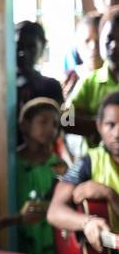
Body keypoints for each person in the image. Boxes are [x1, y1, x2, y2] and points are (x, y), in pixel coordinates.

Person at [48, 90, 119, 244]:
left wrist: (109, 194)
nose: (117, 133)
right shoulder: (88, 162)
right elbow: (54, 211)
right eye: (110, 125)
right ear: (99, 126)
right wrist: (87, 222)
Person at [15, 98, 66, 254]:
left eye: (54, 124)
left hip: (52, 247)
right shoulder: (11, 164)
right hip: (18, 243)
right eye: (43, 122)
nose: (50, 129)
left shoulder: (59, 166)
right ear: (25, 125)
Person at [64, 9, 119, 137]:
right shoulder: (89, 81)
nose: (114, 45)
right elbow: (66, 120)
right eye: (109, 38)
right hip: (94, 156)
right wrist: (101, 125)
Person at [15, 21, 64, 112]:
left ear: (42, 48)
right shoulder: (3, 85)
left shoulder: (51, 87)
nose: (23, 53)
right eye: (19, 46)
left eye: (31, 47)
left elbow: (63, 122)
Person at [62, 13, 101, 98]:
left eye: (99, 40)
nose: (94, 46)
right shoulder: (69, 80)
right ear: (78, 47)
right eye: (87, 41)